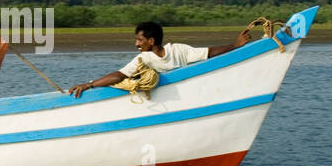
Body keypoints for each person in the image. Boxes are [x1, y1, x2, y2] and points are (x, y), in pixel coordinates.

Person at [69, 21, 253, 98]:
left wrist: (236, 46)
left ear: (151, 41)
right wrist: (89, 85)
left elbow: (209, 52)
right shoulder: (144, 59)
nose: (136, 44)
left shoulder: (178, 50)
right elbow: (120, 75)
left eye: (139, 40)